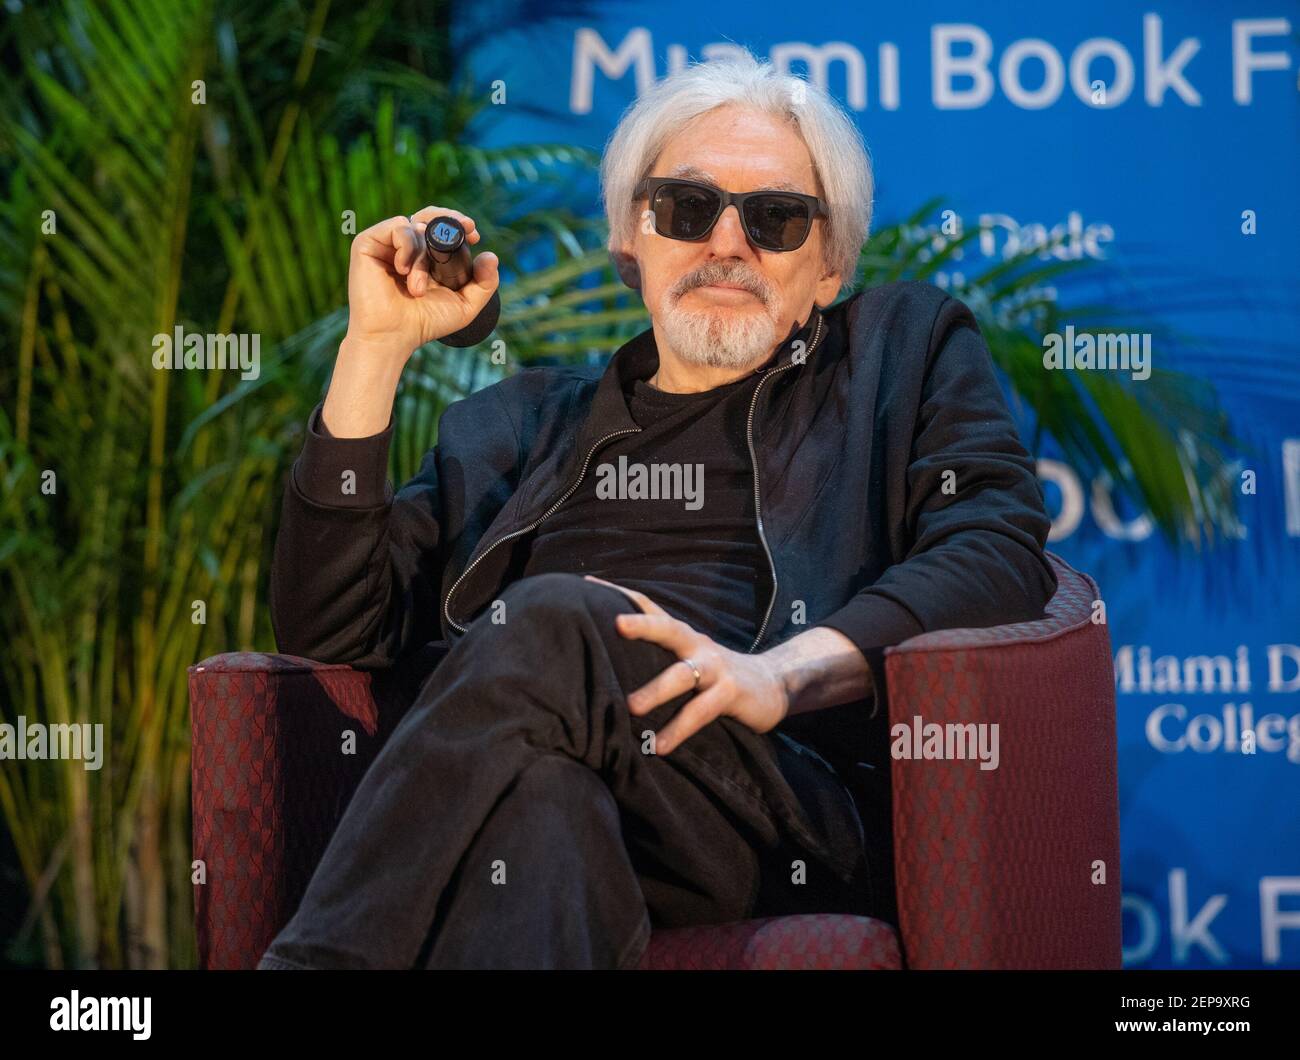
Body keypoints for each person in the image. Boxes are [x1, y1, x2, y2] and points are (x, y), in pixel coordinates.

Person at [257, 50, 1056, 970]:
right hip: (552, 792)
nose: (727, 243)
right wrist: (374, 348)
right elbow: (326, 620)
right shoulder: (514, 426)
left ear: (828, 270)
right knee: (542, 812)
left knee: (550, 615)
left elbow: (998, 551)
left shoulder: (899, 353)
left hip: (764, 795)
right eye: (687, 207)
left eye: (777, 219)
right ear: (630, 240)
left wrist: (783, 675)